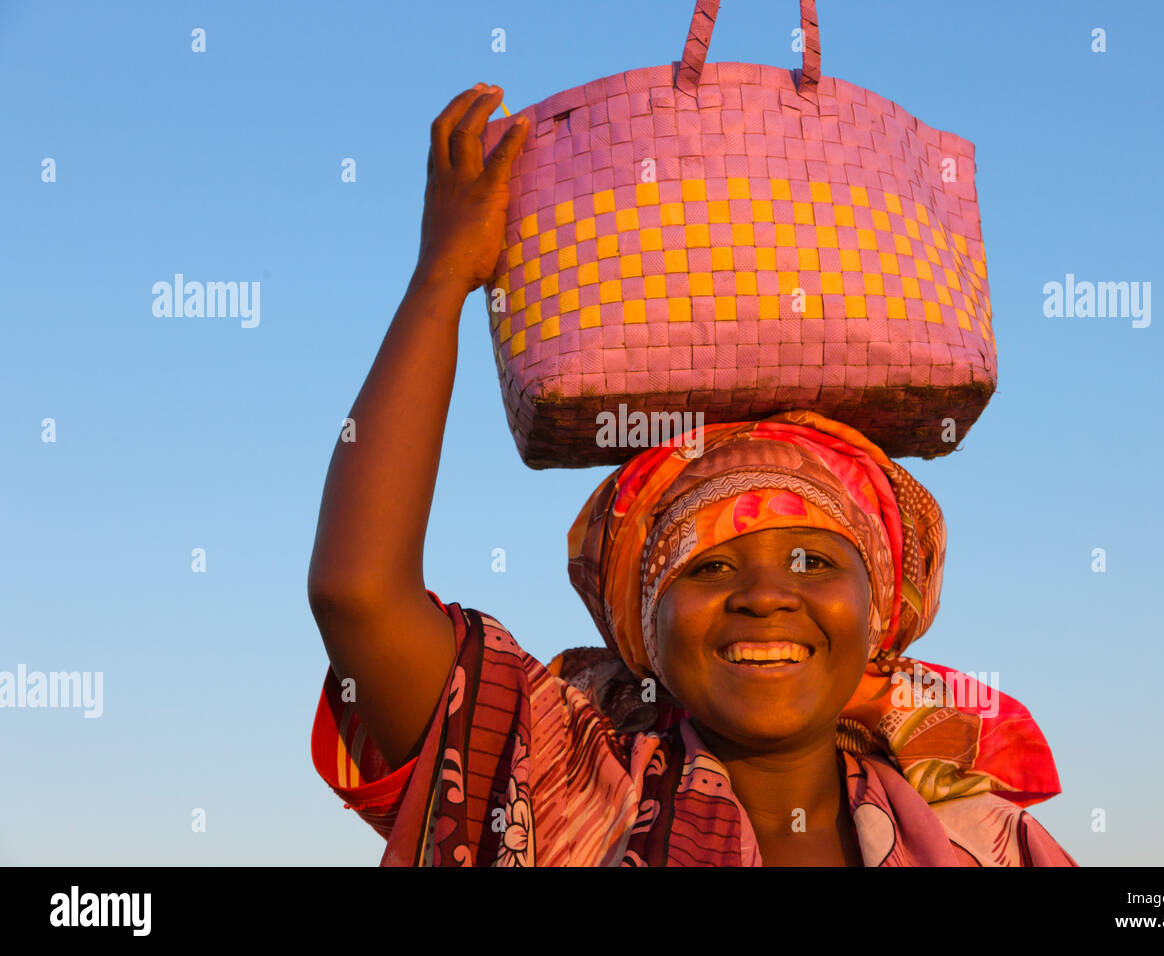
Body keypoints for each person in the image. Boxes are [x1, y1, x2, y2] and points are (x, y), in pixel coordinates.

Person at [306, 84, 1077, 867]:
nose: (767, 596)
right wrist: (440, 282)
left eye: (813, 560)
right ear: (643, 630)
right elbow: (358, 596)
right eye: (707, 565)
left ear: (880, 610)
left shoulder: (984, 843)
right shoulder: (554, 785)